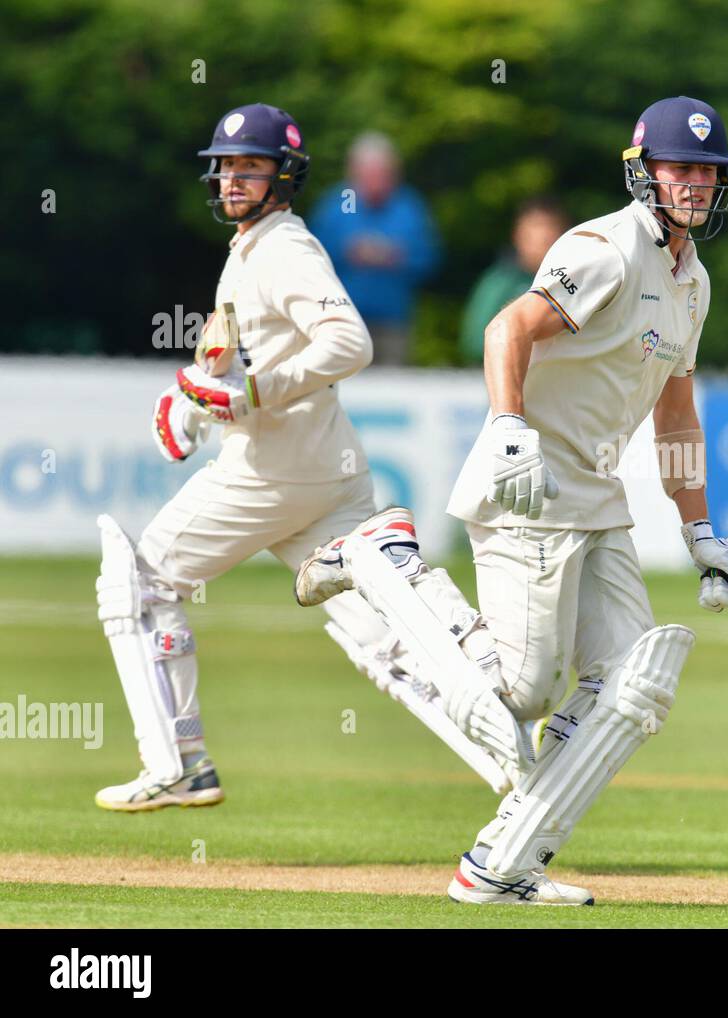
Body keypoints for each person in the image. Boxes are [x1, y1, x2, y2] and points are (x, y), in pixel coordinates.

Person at [296, 96, 728, 904]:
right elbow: (507, 330)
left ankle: (503, 864)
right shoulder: (605, 249)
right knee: (521, 696)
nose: (693, 185)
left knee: (635, 685)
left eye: (707, 173)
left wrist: (701, 531)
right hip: (531, 486)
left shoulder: (694, 283)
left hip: (598, 498)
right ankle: (381, 561)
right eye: (680, 169)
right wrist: (510, 427)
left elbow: (675, 410)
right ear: (644, 171)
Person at [94, 103, 461, 811]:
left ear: (283, 175)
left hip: (270, 473)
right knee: (385, 631)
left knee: (137, 582)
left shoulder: (284, 246)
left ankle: (180, 763)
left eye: (249, 166)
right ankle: (496, 722)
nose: (232, 179)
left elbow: (348, 343)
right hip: (326, 471)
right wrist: (191, 406)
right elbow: (232, 360)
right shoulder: (253, 248)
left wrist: (255, 393)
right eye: (225, 166)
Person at [310, 132, 441, 365]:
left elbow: (428, 257)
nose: (376, 181)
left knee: (391, 389)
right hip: (342, 319)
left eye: (382, 174)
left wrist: (396, 256)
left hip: (392, 322)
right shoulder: (343, 200)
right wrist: (349, 251)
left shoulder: (407, 205)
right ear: (354, 172)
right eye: (369, 173)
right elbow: (315, 254)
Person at [458, 197, 570, 363]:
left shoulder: (573, 281)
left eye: (551, 227)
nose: (544, 236)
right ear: (518, 235)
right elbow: (475, 341)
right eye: (536, 227)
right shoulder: (499, 282)